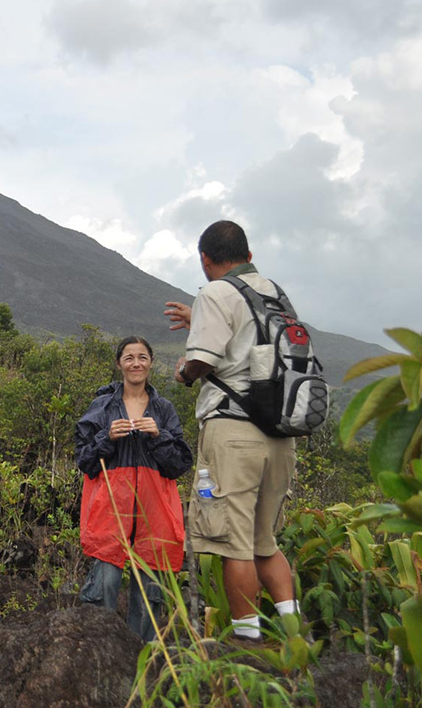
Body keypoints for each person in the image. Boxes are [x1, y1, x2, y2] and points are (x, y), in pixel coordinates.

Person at [164, 220, 303, 642]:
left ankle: (248, 642)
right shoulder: (274, 293)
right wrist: (200, 320)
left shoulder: (214, 292)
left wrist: (184, 373)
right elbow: (252, 342)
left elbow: (204, 360)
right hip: (280, 432)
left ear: (205, 260)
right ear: (249, 254)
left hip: (234, 431)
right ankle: (295, 635)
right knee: (265, 541)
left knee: (233, 543)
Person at [74, 336, 192, 643]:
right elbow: (84, 460)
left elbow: (179, 465)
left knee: (150, 592)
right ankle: (99, 651)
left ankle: (143, 657)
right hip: (109, 509)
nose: (136, 363)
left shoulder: (163, 409)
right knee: (104, 583)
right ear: (119, 364)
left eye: (142, 357)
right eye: (129, 358)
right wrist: (107, 437)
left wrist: (159, 436)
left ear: (151, 362)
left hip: (155, 512)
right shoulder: (102, 407)